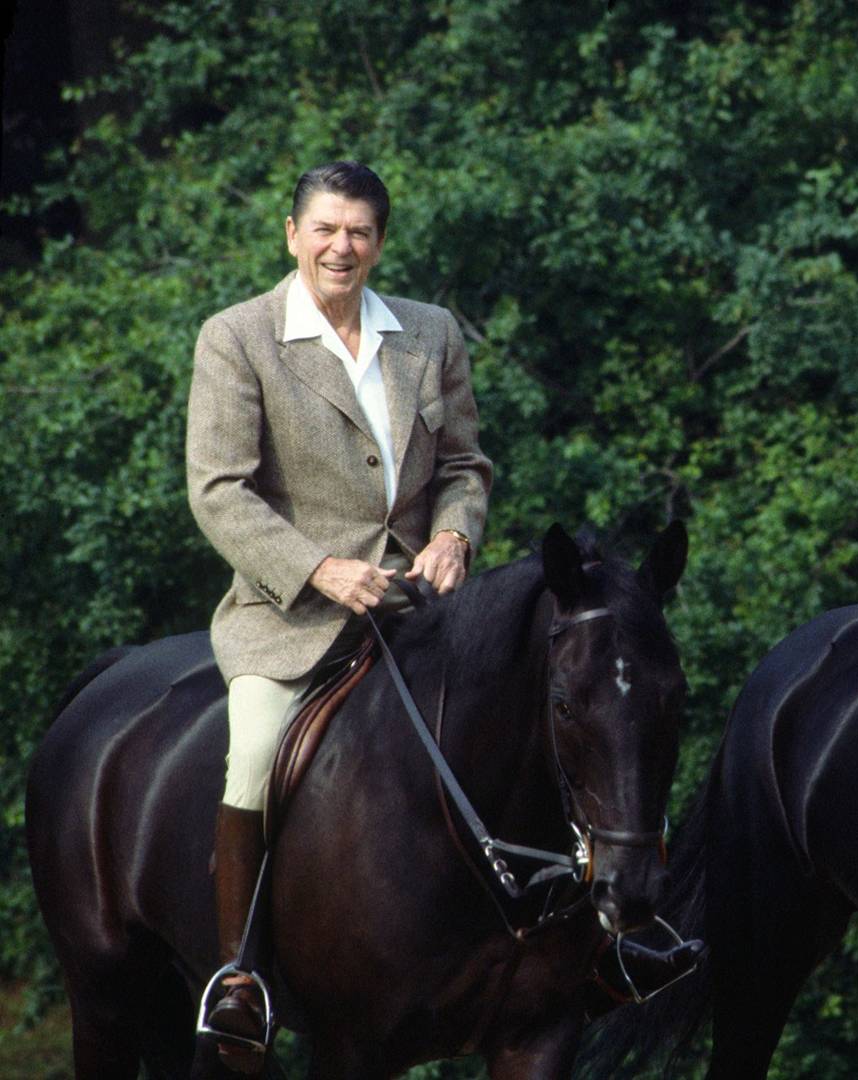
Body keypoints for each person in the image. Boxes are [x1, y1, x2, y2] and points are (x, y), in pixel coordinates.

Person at [187, 161, 493, 1047]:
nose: (341, 246)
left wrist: (454, 537)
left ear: (380, 243)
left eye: (359, 231)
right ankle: (239, 973)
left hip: (421, 607)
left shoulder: (428, 334)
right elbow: (219, 491)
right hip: (292, 618)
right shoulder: (238, 337)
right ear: (292, 235)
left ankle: (585, 937)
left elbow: (466, 467)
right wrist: (319, 569)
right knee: (251, 753)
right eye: (324, 228)